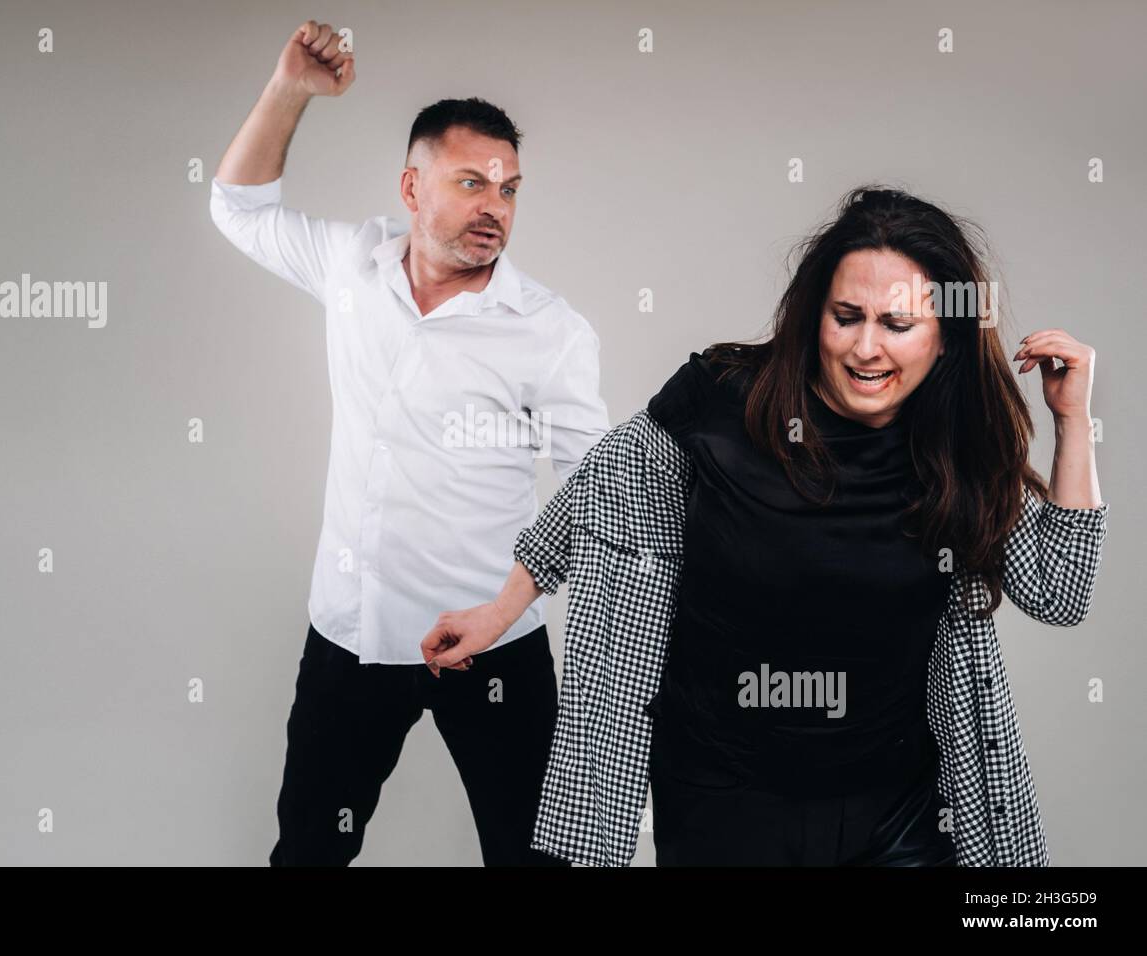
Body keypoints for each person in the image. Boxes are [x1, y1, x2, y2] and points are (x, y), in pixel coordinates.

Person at [423, 186, 1108, 866]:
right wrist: (500, 612)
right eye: (846, 317)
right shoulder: (722, 400)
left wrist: (1072, 422)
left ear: (944, 338)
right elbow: (600, 488)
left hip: (895, 808)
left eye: (897, 326)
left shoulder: (956, 449)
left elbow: (1059, 591)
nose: (867, 348)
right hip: (724, 802)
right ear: (816, 315)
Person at [211, 20, 609, 865]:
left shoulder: (551, 331)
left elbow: (595, 494)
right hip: (351, 634)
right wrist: (289, 89)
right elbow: (237, 207)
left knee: (534, 858)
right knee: (308, 853)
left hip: (494, 645)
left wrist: (504, 609)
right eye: (471, 183)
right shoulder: (351, 267)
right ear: (412, 186)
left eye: (508, 190)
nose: (494, 209)